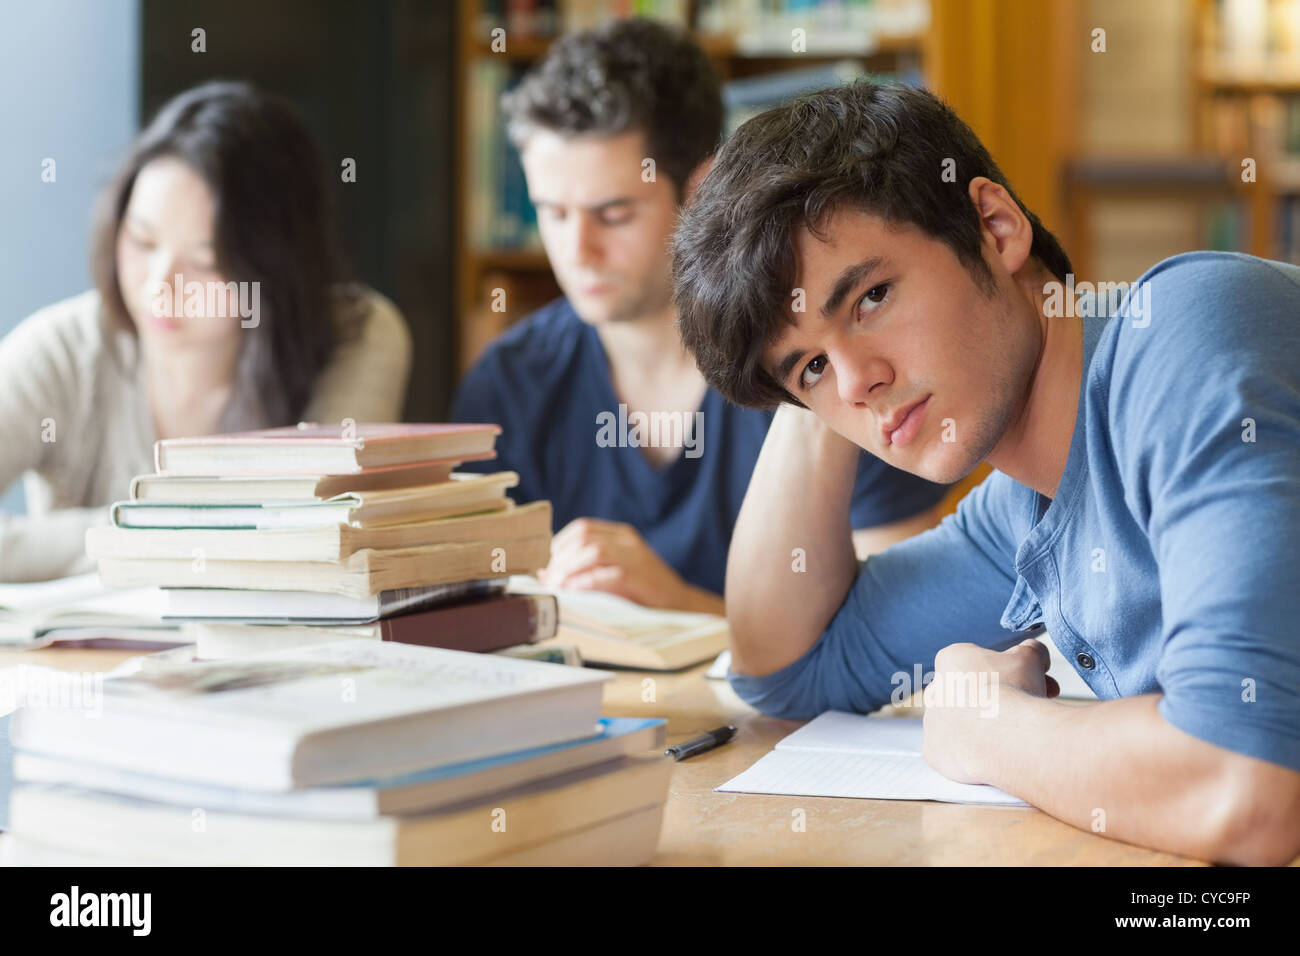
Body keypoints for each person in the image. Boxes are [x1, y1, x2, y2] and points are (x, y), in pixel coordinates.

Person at [671, 80, 1300, 865]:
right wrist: (825, 382)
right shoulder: (1026, 506)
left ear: (995, 227)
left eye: (871, 296)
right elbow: (792, 670)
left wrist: (987, 728)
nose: (855, 381)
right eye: (807, 371)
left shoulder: (1189, 332)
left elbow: (1247, 785)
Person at [451, 19, 949, 615]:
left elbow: (894, 639)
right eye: (552, 213)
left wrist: (676, 607)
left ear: (702, 189)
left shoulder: (821, 370)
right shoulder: (508, 384)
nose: (576, 251)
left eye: (612, 215)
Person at [0, 81, 412, 582]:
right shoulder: (61, 351)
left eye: (207, 262)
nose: (160, 286)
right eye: (142, 240)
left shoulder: (359, 334)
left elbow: (318, 535)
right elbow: (256, 537)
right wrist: (159, 535)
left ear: (277, 268)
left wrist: (111, 541)